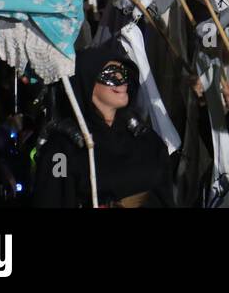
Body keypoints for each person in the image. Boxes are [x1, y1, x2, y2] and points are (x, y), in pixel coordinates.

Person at [32, 42, 174, 207]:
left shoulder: (146, 139)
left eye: (124, 74)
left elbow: (166, 197)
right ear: (88, 80)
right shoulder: (62, 150)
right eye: (111, 74)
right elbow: (52, 199)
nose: (122, 81)